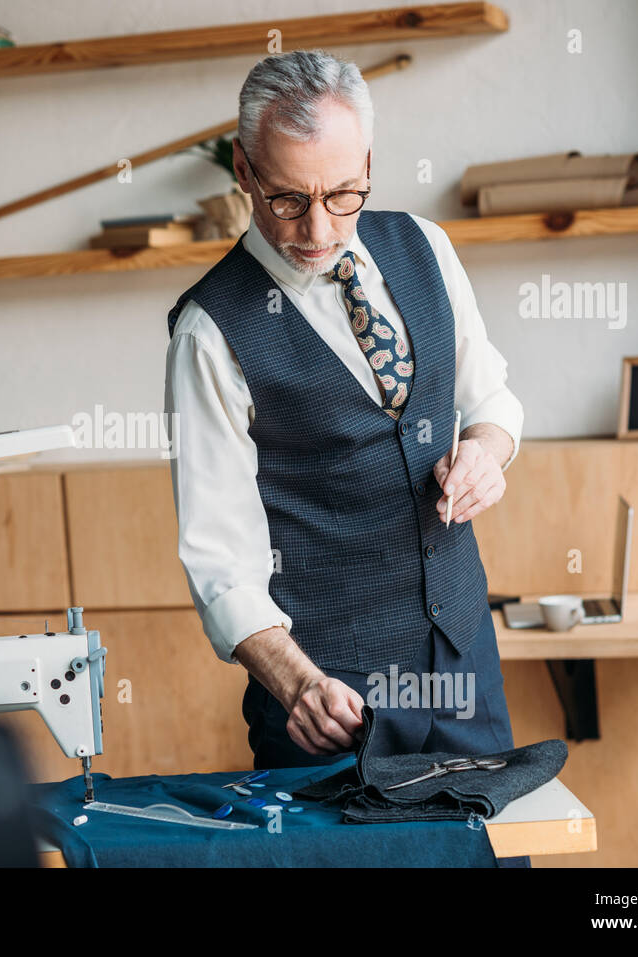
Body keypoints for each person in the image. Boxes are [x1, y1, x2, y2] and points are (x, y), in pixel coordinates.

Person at [164, 51, 526, 857]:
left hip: (464, 665)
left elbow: (493, 400)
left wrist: (485, 454)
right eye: (287, 199)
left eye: (343, 195)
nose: (318, 230)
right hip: (328, 701)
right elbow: (220, 561)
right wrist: (297, 684)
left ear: (367, 163)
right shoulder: (210, 332)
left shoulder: (425, 248)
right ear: (244, 169)